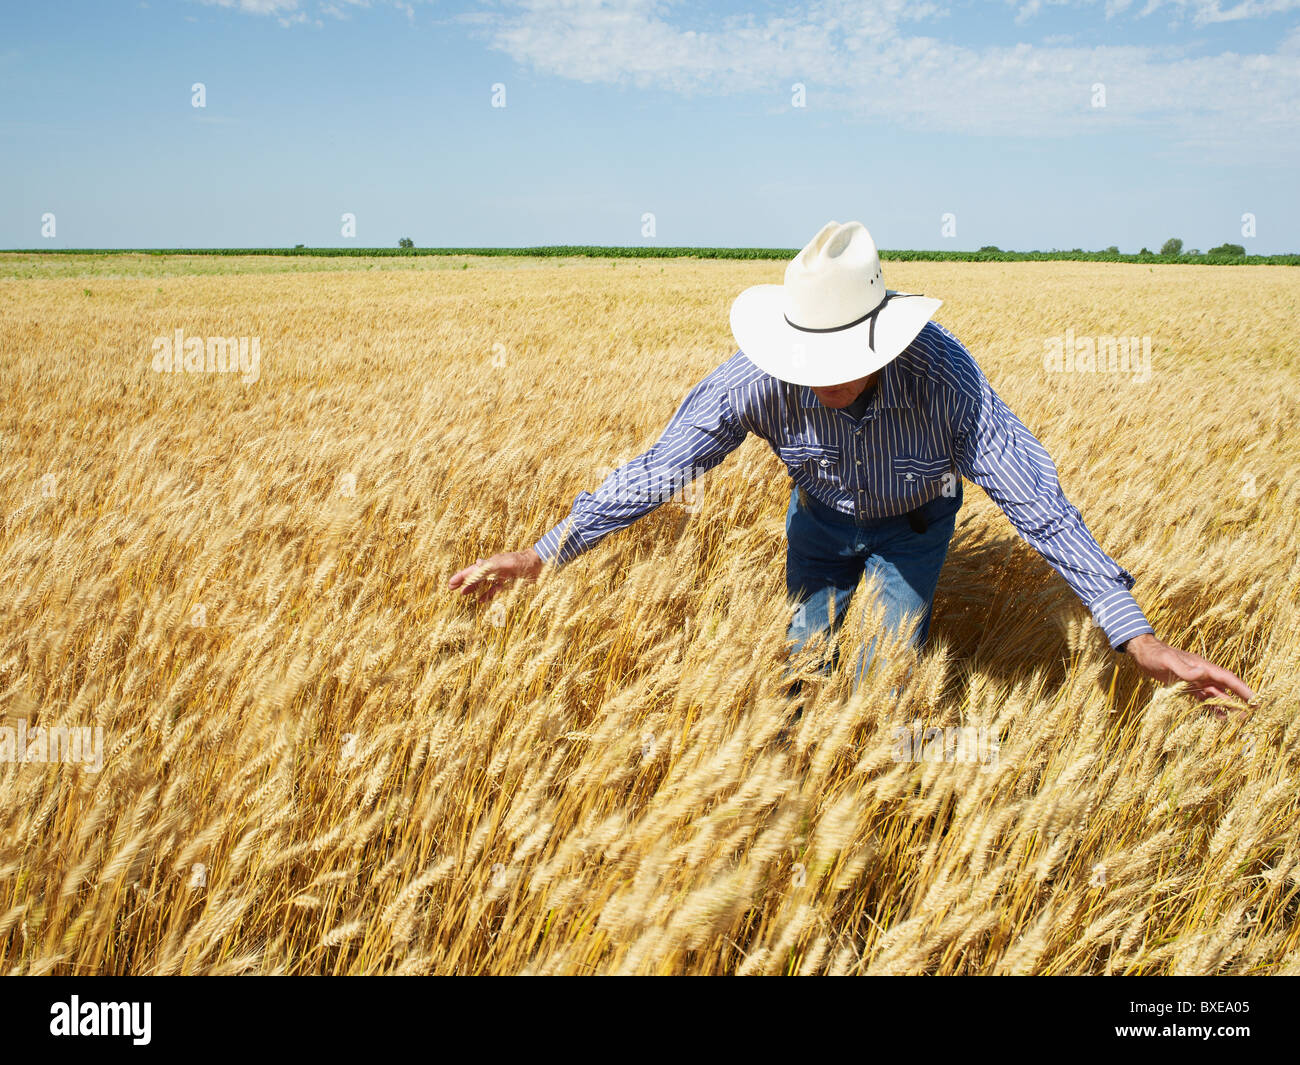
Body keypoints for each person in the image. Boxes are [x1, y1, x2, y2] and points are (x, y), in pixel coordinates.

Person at [450, 220, 1256, 708]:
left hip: (914, 530)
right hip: (819, 523)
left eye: (841, 353)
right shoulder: (754, 381)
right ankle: (803, 777)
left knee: (882, 670)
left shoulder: (946, 381)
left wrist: (1134, 636)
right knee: (803, 657)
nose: (820, 372)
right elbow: (662, 467)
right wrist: (550, 548)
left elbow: (1035, 501)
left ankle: (870, 790)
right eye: (808, 353)